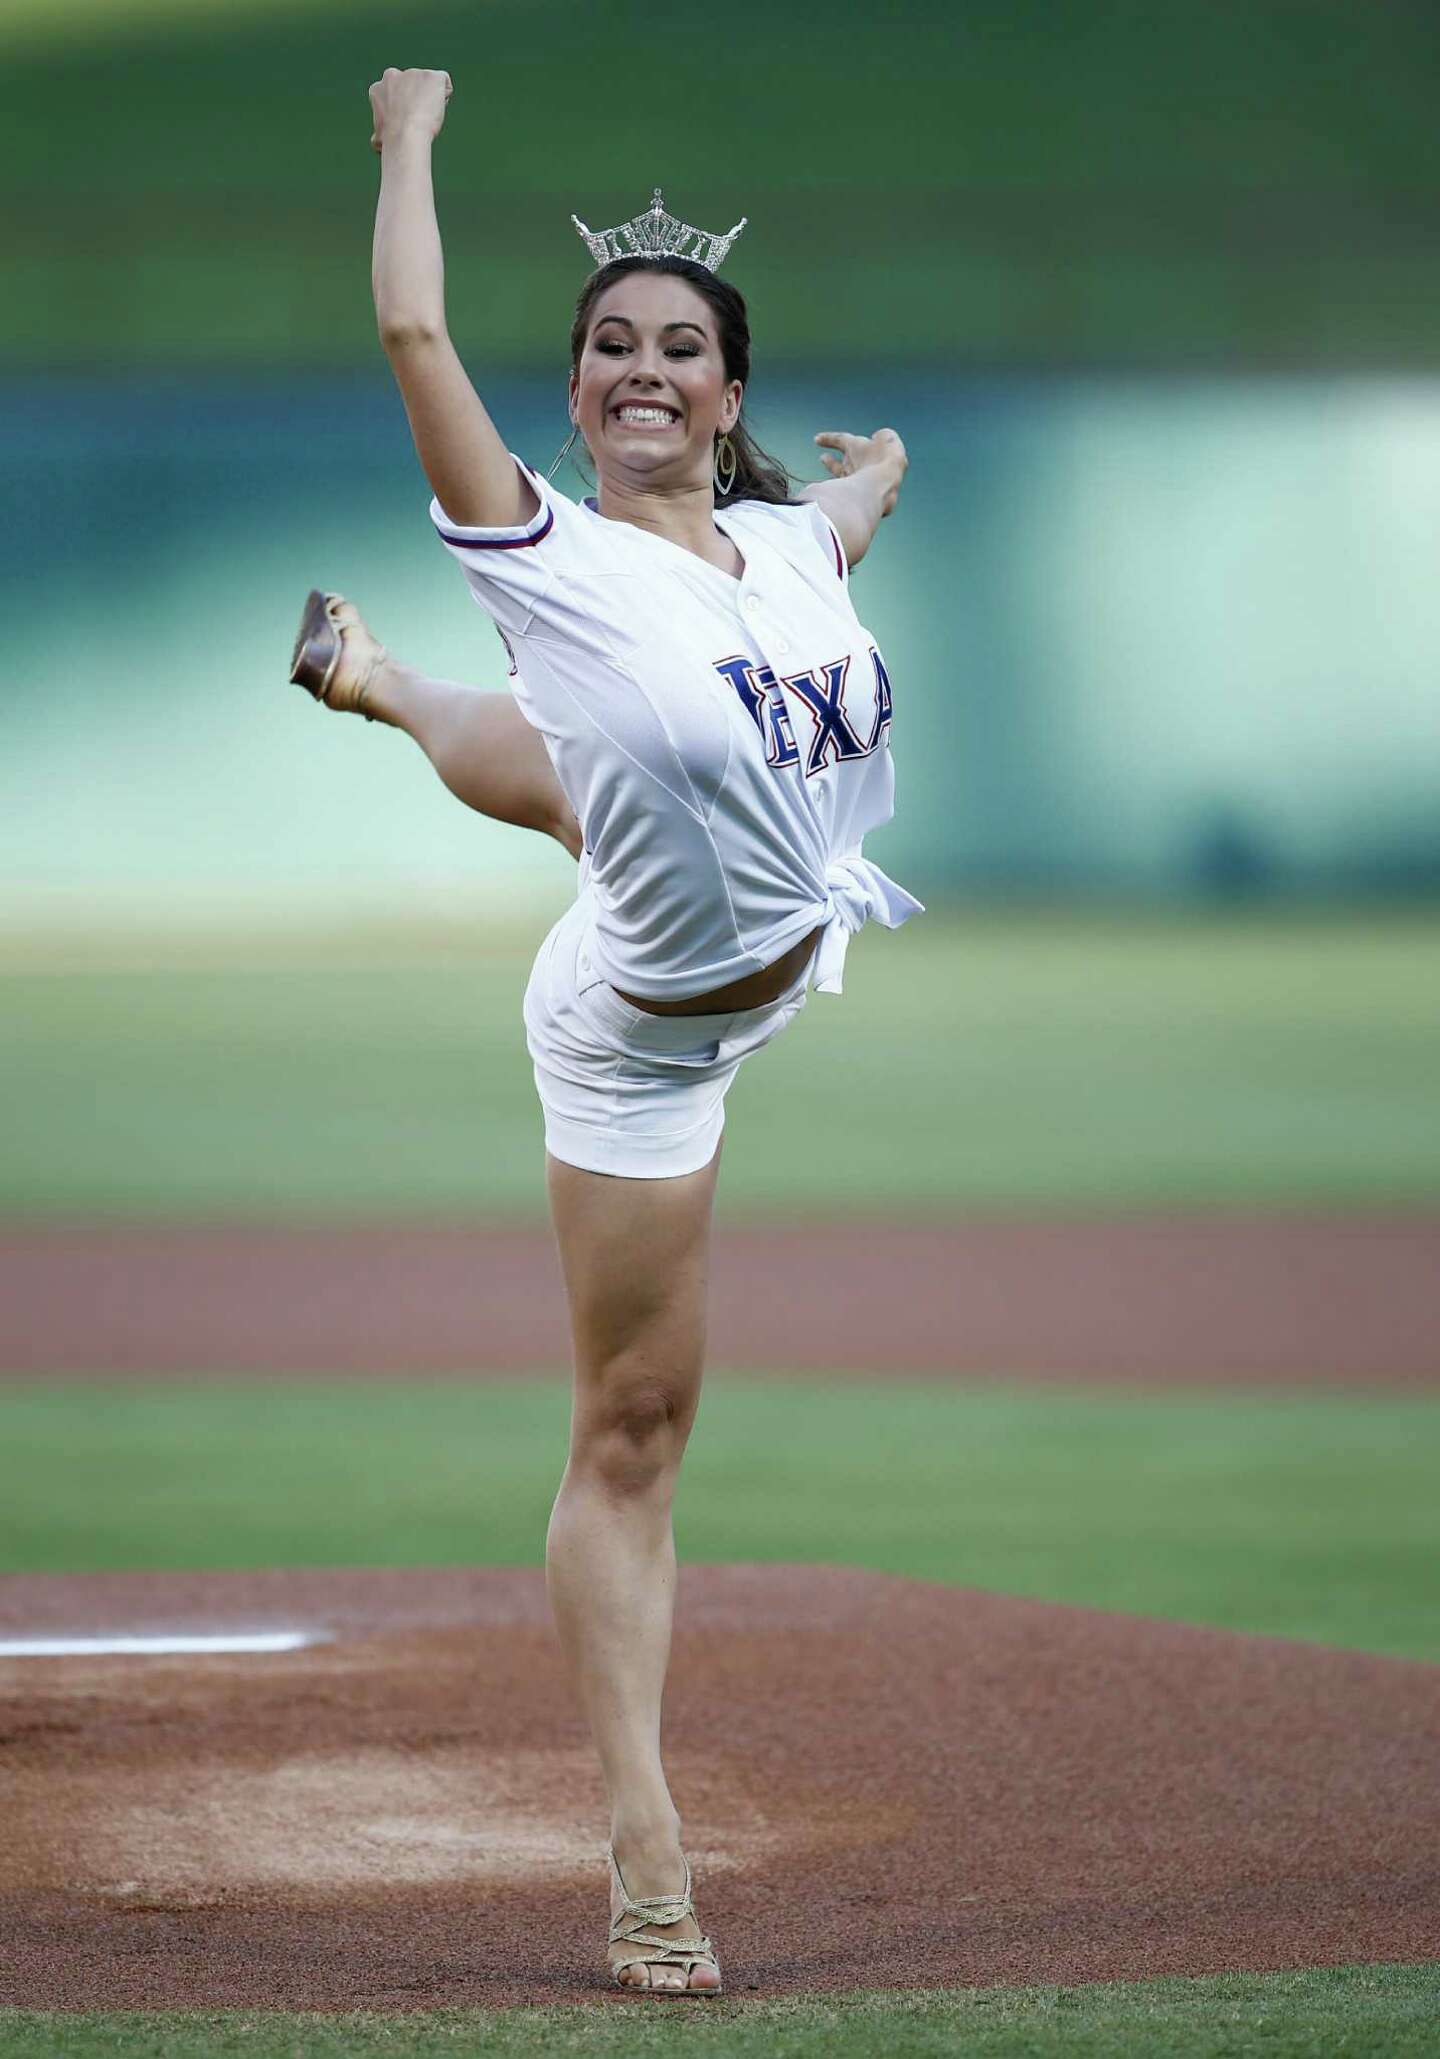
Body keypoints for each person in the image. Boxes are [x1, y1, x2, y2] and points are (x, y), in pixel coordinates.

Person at [289, 66, 922, 1996]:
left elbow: (836, 511)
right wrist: (409, 136)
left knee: (592, 776)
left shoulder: (793, 550)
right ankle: (646, 1854)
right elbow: (409, 325)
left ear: (727, 394)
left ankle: (379, 684)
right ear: (575, 392)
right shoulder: (546, 546)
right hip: (642, 1035)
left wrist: (877, 468)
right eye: (611, 348)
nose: (644, 368)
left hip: (748, 924)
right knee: (635, 1431)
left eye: (682, 350)